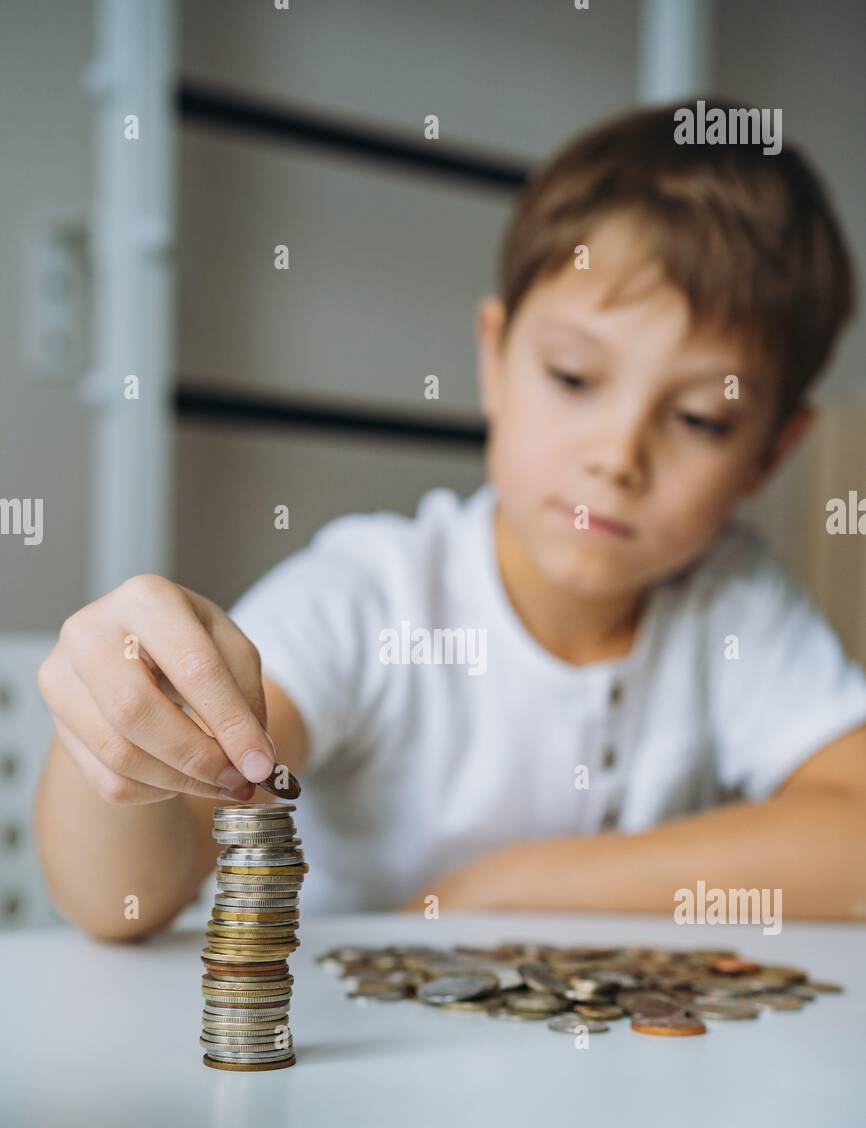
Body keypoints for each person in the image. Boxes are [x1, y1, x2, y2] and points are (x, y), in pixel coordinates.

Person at [34, 99, 866, 936]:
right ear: (494, 359)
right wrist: (110, 739)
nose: (620, 457)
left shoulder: (738, 606)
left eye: (701, 419)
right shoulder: (371, 598)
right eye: (575, 377)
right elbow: (118, 899)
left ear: (771, 453)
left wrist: (514, 888)